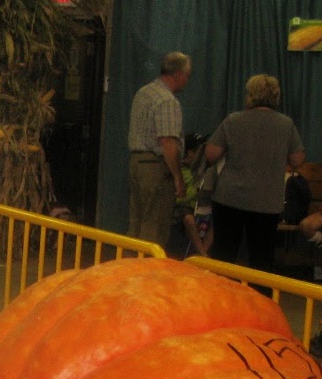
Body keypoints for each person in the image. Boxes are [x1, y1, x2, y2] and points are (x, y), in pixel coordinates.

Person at [204, 74, 305, 275]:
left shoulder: (234, 120)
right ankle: (260, 302)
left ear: (250, 95)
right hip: (266, 203)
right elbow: (297, 160)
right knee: (262, 262)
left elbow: (211, 153)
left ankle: (219, 301)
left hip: (229, 198)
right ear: (276, 96)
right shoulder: (286, 125)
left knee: (224, 257)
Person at [127, 51, 191, 246]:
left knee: (136, 223)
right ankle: (148, 273)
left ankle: (129, 270)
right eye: (187, 75)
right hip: (156, 168)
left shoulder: (144, 92)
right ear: (178, 75)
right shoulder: (168, 101)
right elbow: (167, 143)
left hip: (137, 163)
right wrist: (178, 178)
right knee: (154, 227)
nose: (187, 80)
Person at [165, 132, 215, 259]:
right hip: (185, 208)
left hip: (202, 209)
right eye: (198, 150)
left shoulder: (205, 170)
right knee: (189, 219)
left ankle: (202, 253)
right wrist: (196, 192)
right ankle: (202, 254)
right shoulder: (181, 171)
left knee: (218, 221)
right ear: (190, 153)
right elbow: (179, 196)